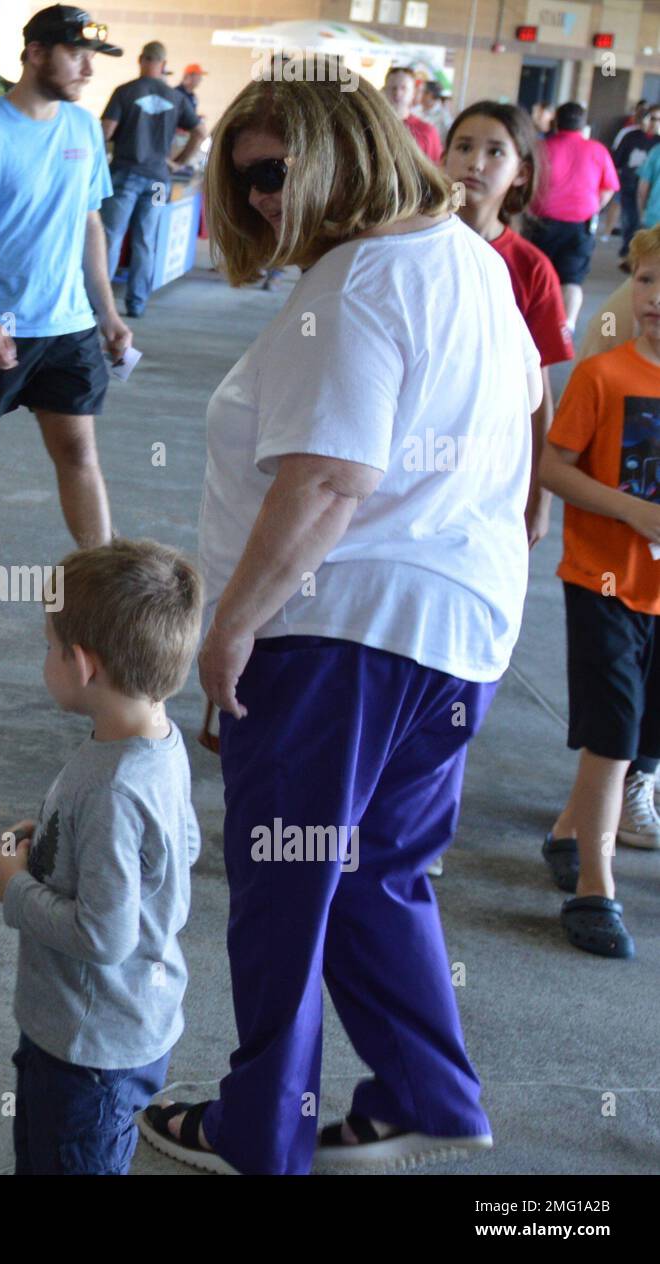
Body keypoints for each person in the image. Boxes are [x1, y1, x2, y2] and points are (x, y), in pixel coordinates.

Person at [137, 56, 540, 1175]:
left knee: (286, 882)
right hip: (456, 629)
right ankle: (426, 1093)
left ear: (344, 151)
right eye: (247, 177)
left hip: (339, 632)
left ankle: (259, 1129)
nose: (263, 198)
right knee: (373, 872)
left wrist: (229, 631)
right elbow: (519, 410)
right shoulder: (467, 258)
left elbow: (327, 480)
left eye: (278, 171)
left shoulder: (358, 279)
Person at [0, 538, 202, 1174]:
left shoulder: (112, 787)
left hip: (87, 1048)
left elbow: (104, 936)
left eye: (49, 646)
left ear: (82, 664)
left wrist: (13, 885)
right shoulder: (157, 742)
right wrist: (56, 843)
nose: (45, 658)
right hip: (116, 1027)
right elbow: (178, 846)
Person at [0, 5, 132, 634]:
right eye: (75, 53)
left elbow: (90, 223)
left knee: (78, 451)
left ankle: (103, 593)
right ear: (37, 53)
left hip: (67, 326)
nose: (88, 68)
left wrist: (108, 312)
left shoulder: (83, 128)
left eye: (92, 56)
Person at [537, 227, 660, 960]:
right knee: (611, 734)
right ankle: (595, 884)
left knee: (642, 740)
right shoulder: (604, 376)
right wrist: (630, 509)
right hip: (603, 583)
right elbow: (554, 469)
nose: (655, 299)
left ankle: (564, 833)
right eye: (645, 281)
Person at [444, 101, 574, 549]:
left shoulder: (531, 268)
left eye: (496, 152)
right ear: (443, 157)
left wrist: (538, 500)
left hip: (489, 464)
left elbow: (538, 398)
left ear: (521, 172)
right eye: (463, 146)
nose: (475, 163)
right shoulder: (409, 247)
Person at [99, 41, 207, 318]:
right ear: (163, 64)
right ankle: (137, 303)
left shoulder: (125, 92)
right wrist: (179, 162)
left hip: (126, 175)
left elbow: (106, 133)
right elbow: (200, 132)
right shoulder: (177, 98)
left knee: (111, 237)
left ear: (140, 60)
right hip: (160, 180)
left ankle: (102, 305)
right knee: (146, 240)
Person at [523, 102, 619, 331]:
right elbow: (609, 188)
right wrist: (594, 207)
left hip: (541, 223)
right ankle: (566, 326)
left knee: (535, 275)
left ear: (556, 122)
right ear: (583, 124)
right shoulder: (598, 150)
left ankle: (530, 324)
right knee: (572, 279)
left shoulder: (539, 148)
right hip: (579, 224)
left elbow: (526, 185)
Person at [614, 105, 660, 263]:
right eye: (653, 118)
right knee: (630, 221)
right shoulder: (631, 136)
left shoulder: (657, 145)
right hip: (629, 184)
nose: (655, 123)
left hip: (650, 195)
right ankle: (629, 252)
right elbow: (617, 160)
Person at [383, 65, 441, 163]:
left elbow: (436, 171)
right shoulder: (370, 126)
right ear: (384, 90)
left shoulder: (427, 132)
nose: (397, 93)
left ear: (413, 93)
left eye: (403, 88)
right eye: (392, 88)